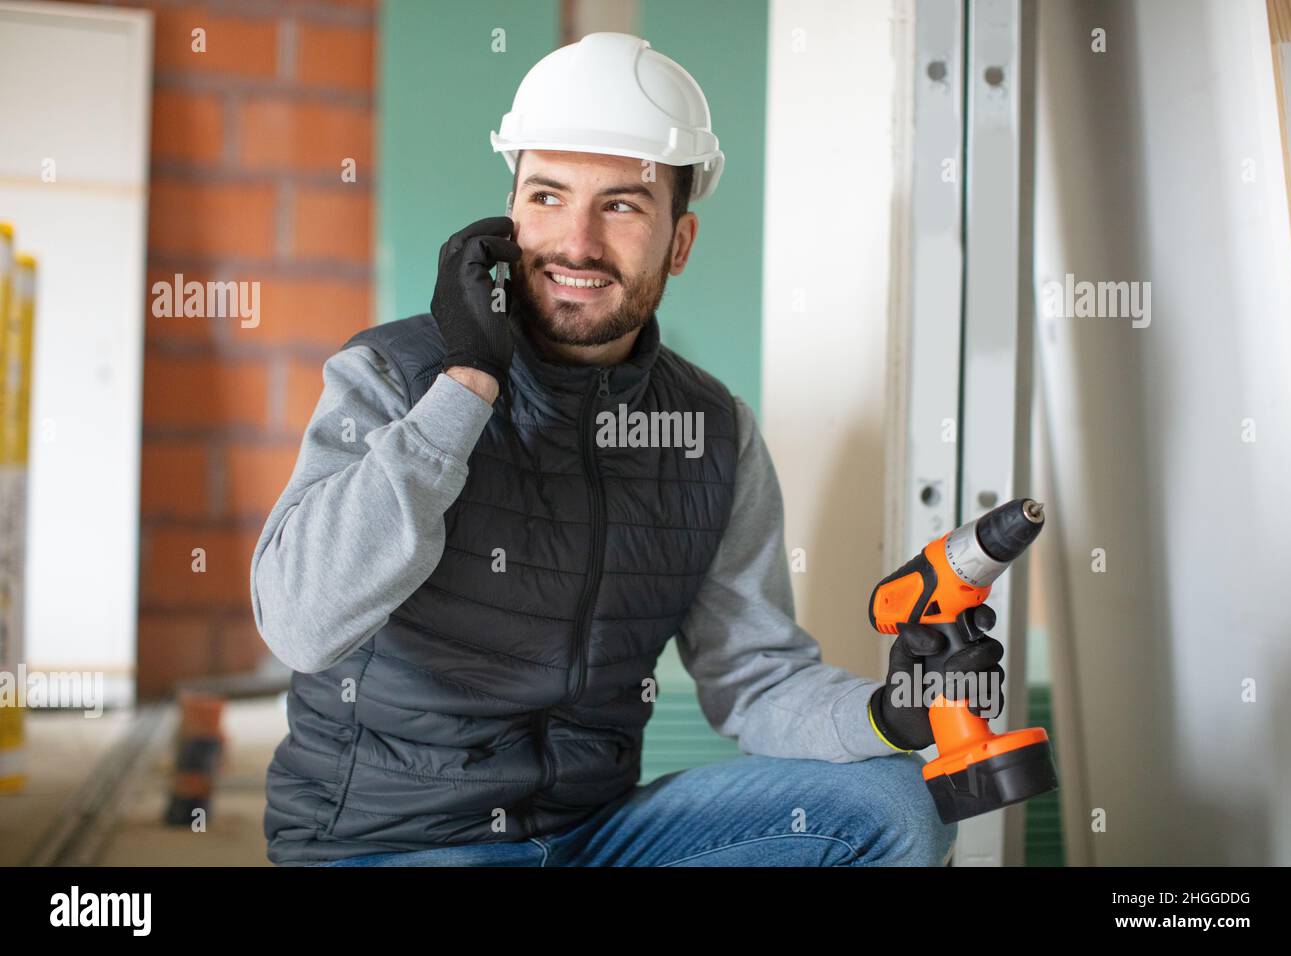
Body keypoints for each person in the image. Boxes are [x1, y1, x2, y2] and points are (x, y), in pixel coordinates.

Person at [250, 32, 1001, 867]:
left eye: (622, 204)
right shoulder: (392, 376)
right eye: (546, 196)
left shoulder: (714, 433)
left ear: (678, 243)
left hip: (593, 838)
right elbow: (298, 625)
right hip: (388, 846)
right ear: (508, 216)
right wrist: (465, 387)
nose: (576, 242)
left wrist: (889, 715)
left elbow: (757, 680)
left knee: (896, 802)